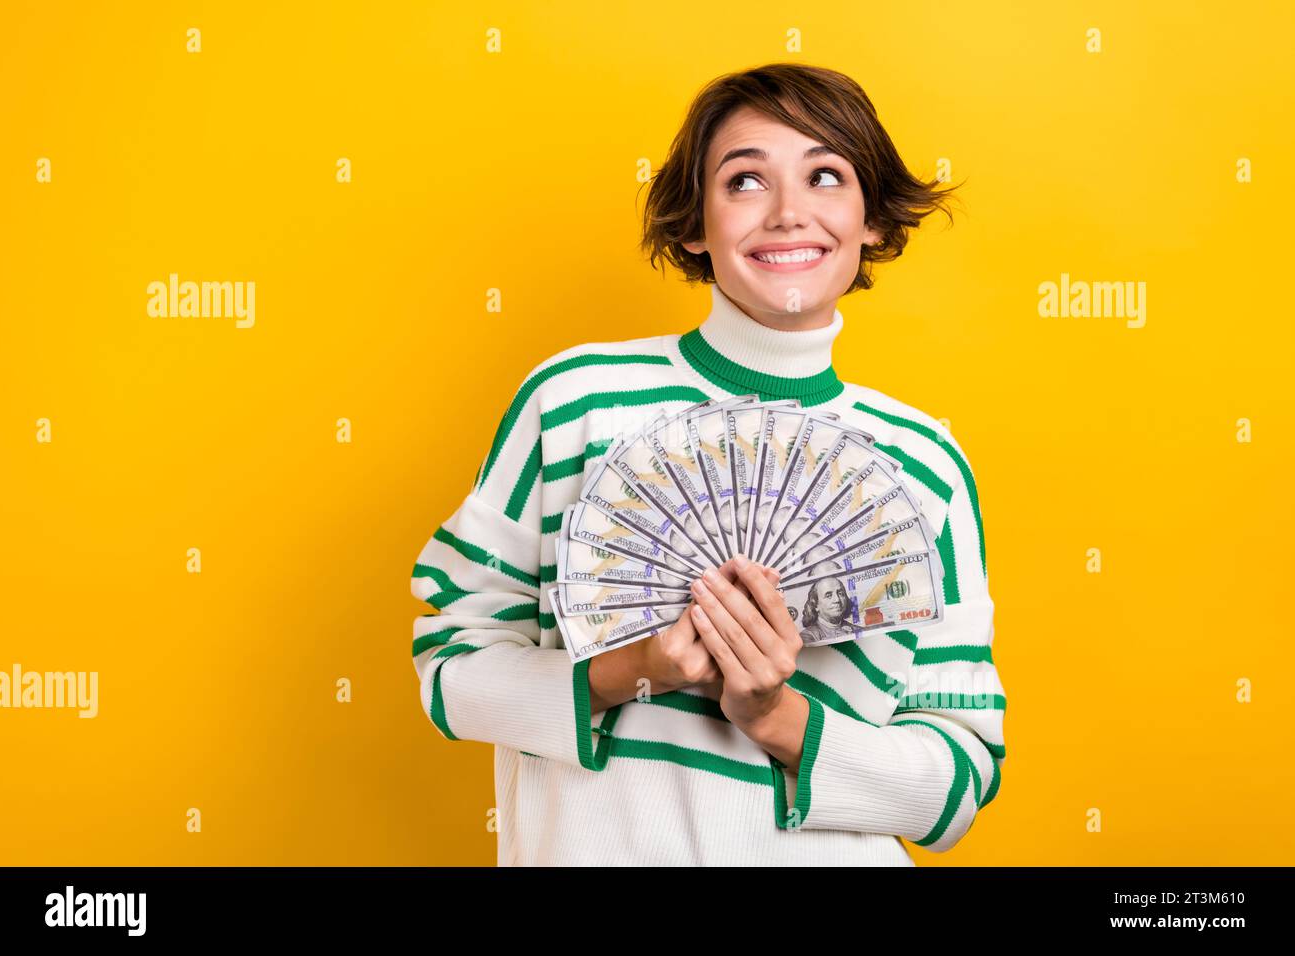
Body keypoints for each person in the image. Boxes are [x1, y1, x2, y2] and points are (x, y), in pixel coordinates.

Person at [410, 62, 1005, 865]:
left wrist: (773, 716)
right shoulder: (574, 402)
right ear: (695, 224)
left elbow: (958, 785)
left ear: (870, 218)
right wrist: (630, 672)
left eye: (825, 175)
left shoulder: (922, 462)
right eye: (746, 181)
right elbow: (451, 672)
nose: (790, 214)